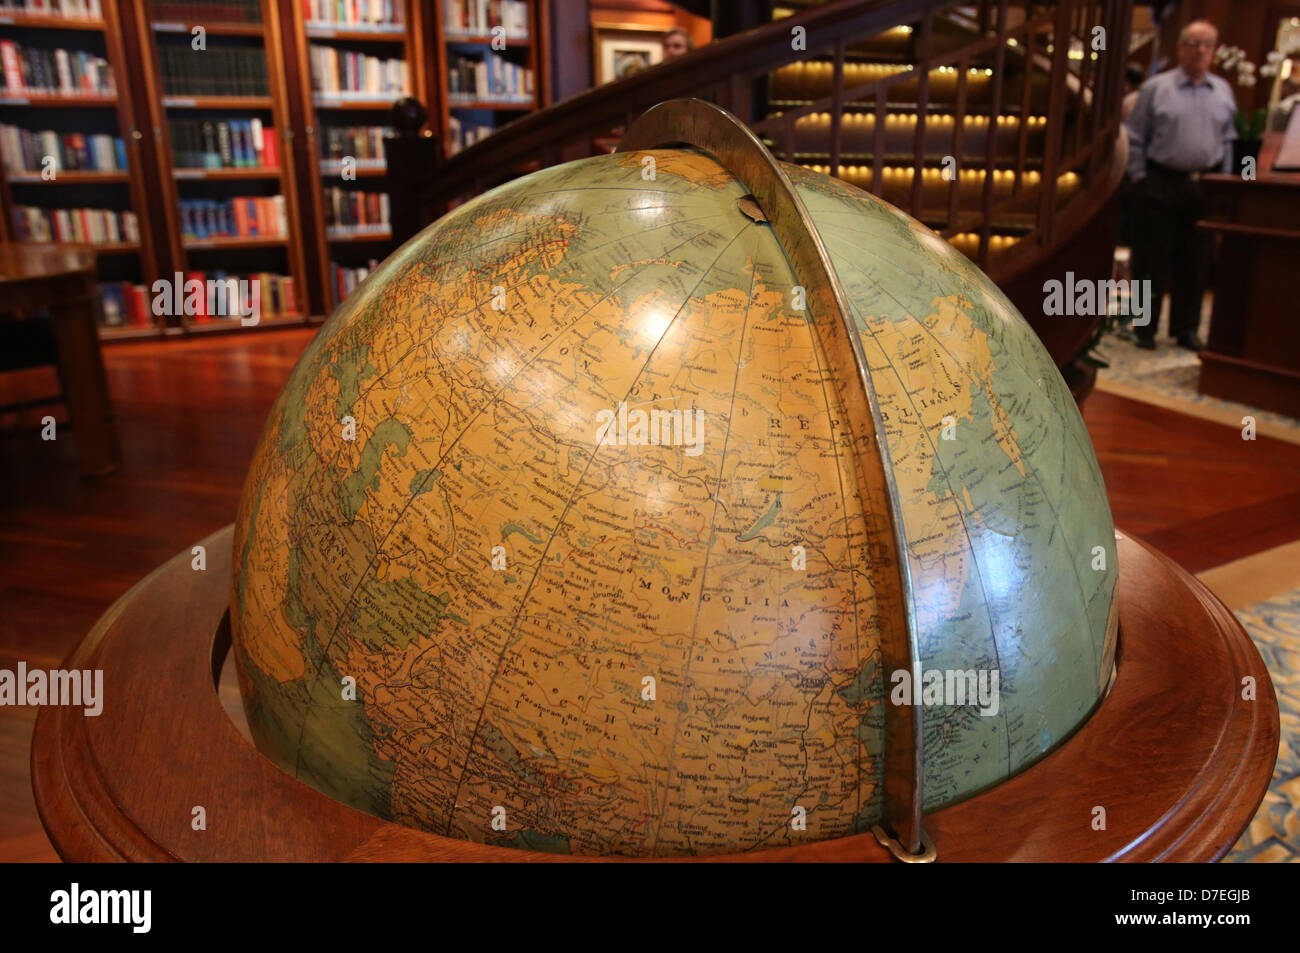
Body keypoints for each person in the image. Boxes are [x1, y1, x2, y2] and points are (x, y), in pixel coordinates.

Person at [1124, 19, 1237, 351]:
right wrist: (1141, 178)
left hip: (1203, 186)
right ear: (1180, 48)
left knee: (1196, 261)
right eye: (1193, 43)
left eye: (1206, 45)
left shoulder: (1223, 92)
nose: (1200, 50)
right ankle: (1144, 328)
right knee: (1150, 261)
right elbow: (1133, 136)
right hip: (1160, 181)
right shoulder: (1157, 88)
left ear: (1213, 51)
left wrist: (1225, 186)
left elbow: (1229, 141)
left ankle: (1186, 329)